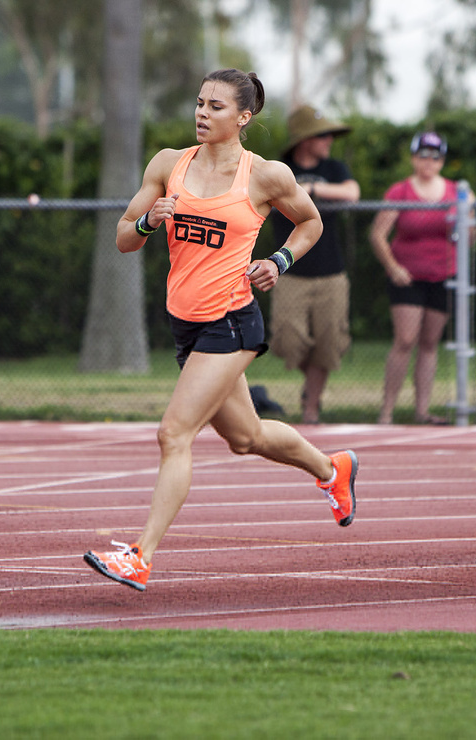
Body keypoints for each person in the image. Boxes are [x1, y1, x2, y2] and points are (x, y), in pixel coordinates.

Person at [82, 69, 358, 592]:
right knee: (246, 437)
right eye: (200, 103)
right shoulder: (168, 164)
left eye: (216, 106)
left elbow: (312, 222)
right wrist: (148, 222)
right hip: (185, 326)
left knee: (174, 433)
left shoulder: (265, 175)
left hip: (231, 321)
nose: (202, 113)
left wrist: (279, 260)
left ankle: (141, 556)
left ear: (243, 117)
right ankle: (332, 468)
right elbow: (123, 238)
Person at [369, 131, 472, 425]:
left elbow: (468, 238)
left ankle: (422, 410)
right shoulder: (400, 192)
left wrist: (468, 215)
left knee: (429, 343)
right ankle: (387, 411)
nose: (429, 161)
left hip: (442, 274)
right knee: (405, 339)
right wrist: (393, 267)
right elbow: (378, 234)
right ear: (414, 158)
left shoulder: (455, 192)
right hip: (408, 276)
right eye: (423, 155)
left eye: (435, 156)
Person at [268, 104, 360, 424]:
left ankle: (311, 407)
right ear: (305, 139)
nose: (329, 140)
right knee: (289, 340)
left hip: (330, 271)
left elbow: (352, 193)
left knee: (329, 341)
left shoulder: (334, 169)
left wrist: (311, 189)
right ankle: (311, 386)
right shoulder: (280, 170)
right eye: (323, 135)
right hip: (290, 270)